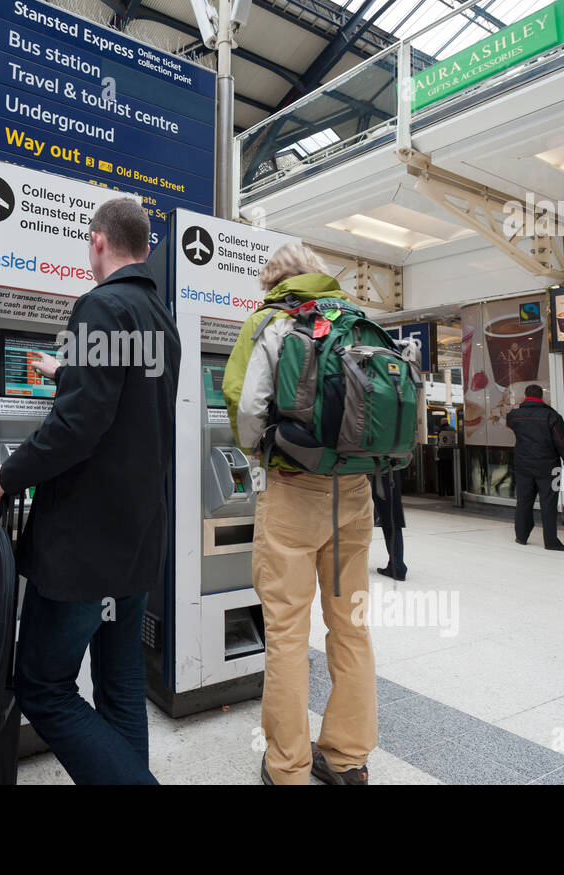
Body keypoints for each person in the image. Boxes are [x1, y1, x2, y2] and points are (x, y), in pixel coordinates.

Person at [0, 198, 180, 786]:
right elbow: (122, 401)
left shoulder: (100, 305)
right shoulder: (158, 315)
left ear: (98, 241)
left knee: (43, 688)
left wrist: (9, 474)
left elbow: (78, 426)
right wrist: (65, 370)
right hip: (137, 540)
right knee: (120, 688)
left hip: (83, 550)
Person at [224, 243, 375, 786]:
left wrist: (254, 452)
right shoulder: (354, 319)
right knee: (351, 627)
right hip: (354, 492)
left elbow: (246, 410)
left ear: (273, 281)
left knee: (287, 631)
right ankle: (346, 759)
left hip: (291, 491)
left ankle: (287, 767)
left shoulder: (268, 322)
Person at [506, 384, 564, 551]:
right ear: (541, 397)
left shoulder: (515, 416)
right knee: (549, 503)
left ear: (525, 396)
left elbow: (510, 422)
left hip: (523, 465)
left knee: (523, 501)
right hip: (550, 467)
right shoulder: (551, 416)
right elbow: (563, 443)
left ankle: (521, 536)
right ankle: (551, 541)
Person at [373, 468, 406, 581]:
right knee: (392, 521)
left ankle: (397, 566)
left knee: (389, 521)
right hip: (391, 472)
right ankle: (396, 564)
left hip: (381, 473)